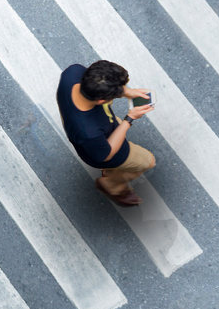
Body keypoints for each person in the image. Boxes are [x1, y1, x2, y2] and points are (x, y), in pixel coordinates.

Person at [56, 60, 155, 206]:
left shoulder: (73, 73)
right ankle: (111, 185)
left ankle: (111, 175)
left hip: (100, 131)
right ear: (101, 100)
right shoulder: (88, 132)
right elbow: (106, 154)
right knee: (147, 161)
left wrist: (127, 92)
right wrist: (130, 118)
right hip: (103, 152)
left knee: (116, 123)